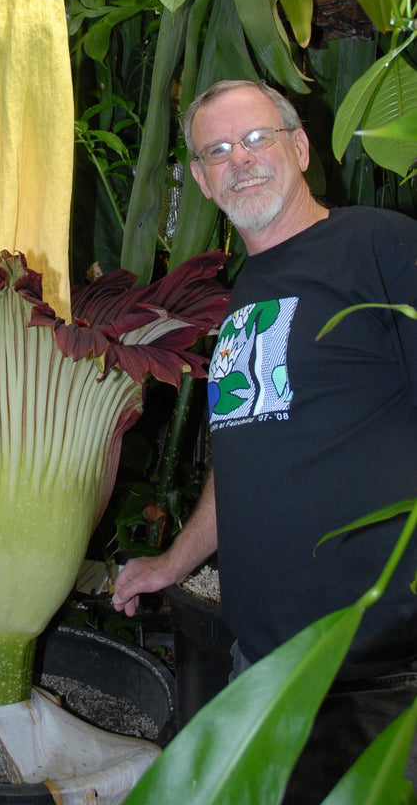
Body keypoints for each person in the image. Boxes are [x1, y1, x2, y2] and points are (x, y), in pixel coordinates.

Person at [113, 79, 417, 803]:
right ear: (198, 178)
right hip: (264, 661)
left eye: (256, 140)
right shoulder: (248, 289)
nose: (239, 161)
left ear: (300, 147)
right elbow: (245, 447)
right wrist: (172, 563)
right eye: (216, 150)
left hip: (376, 671)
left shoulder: (378, 245)